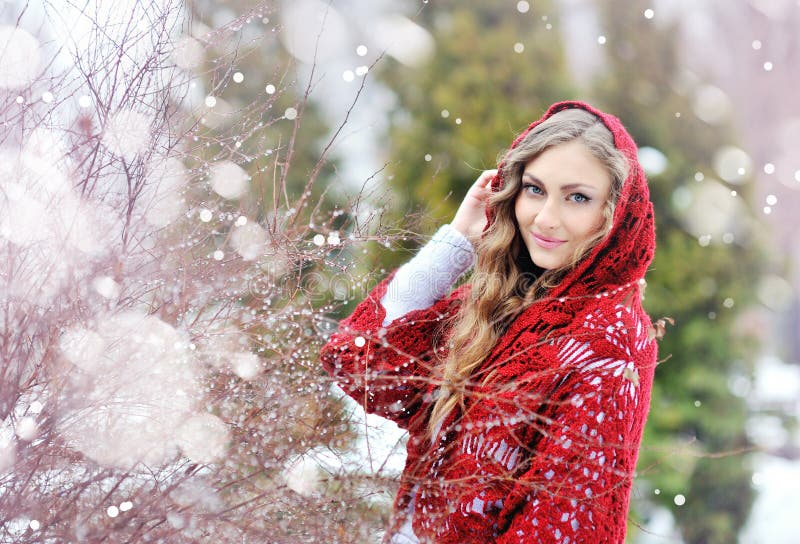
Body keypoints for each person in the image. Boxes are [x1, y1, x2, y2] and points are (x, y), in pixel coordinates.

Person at [320, 101, 659, 543]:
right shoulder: (506, 300)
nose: (546, 218)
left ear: (616, 213)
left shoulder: (607, 346)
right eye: (535, 190)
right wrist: (457, 242)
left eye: (578, 197)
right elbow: (360, 363)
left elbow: (555, 530)